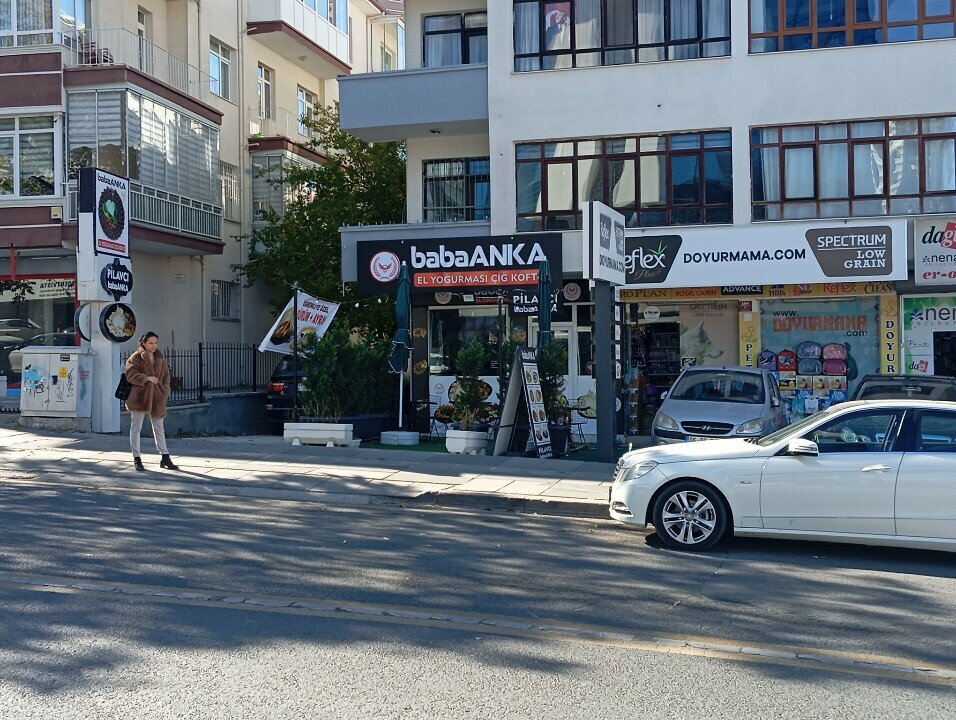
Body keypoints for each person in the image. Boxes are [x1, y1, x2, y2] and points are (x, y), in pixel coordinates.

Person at [125, 331, 179, 471]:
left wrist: (165, 389)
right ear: (143, 343)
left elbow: (166, 376)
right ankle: (137, 458)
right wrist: (146, 378)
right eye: (150, 343)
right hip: (140, 397)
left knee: (159, 428)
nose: (154, 346)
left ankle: (165, 457)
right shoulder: (136, 357)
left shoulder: (160, 357)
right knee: (136, 428)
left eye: (155, 343)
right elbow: (130, 374)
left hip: (157, 397)